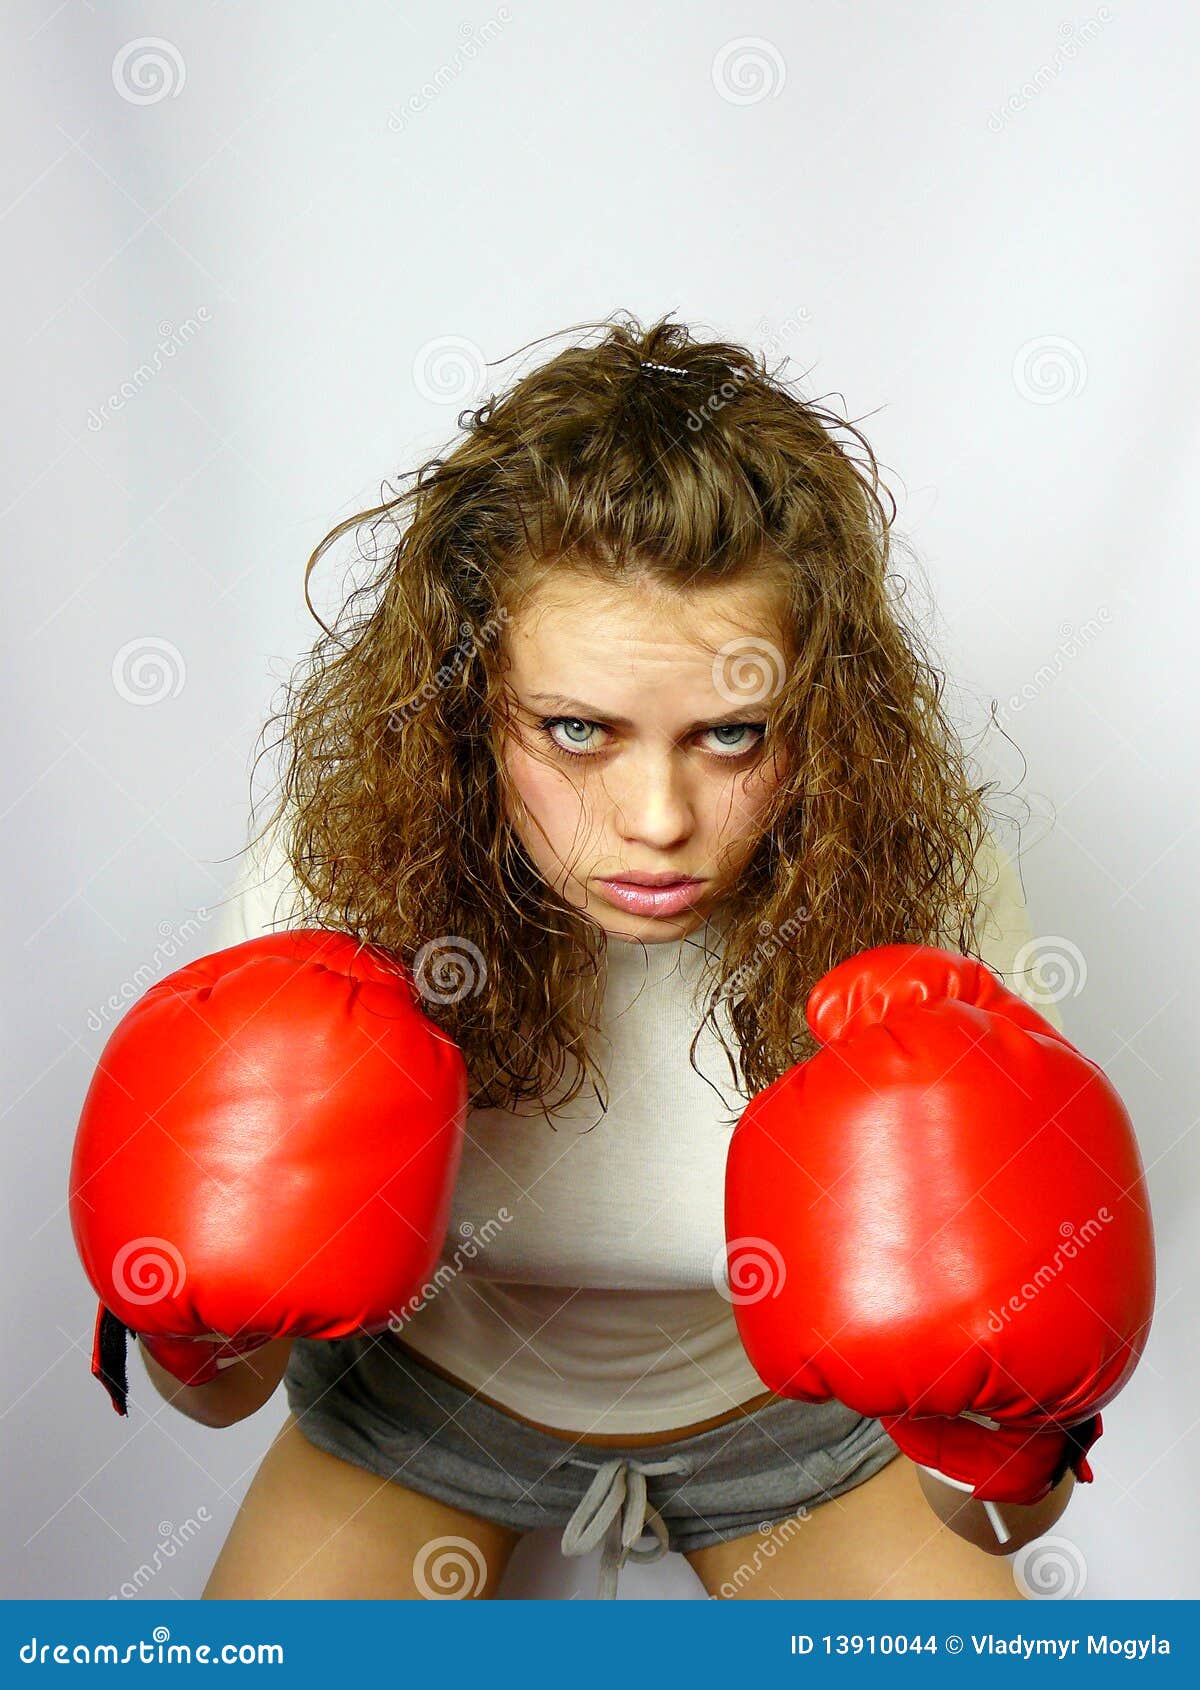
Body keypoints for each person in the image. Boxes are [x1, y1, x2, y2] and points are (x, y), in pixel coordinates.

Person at [101, 316, 1129, 1600]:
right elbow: (218, 1398)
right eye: (577, 728)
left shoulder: (910, 865)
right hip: (422, 1414)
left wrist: (1009, 1427)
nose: (656, 818)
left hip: (795, 1443)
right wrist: (186, 1320)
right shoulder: (352, 854)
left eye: (734, 733)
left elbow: (999, 1528)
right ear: (468, 701)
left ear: (820, 713)